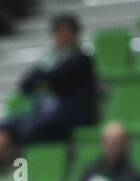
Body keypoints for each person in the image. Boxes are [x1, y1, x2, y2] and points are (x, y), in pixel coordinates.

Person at [13, 13, 98, 143]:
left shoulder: (82, 59)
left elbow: (57, 77)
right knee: (5, 128)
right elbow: (26, 84)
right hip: (47, 113)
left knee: (30, 131)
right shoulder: (50, 59)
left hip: (73, 115)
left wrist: (44, 79)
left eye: (65, 32)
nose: (61, 37)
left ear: (75, 34)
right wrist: (44, 78)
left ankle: (25, 162)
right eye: (58, 32)